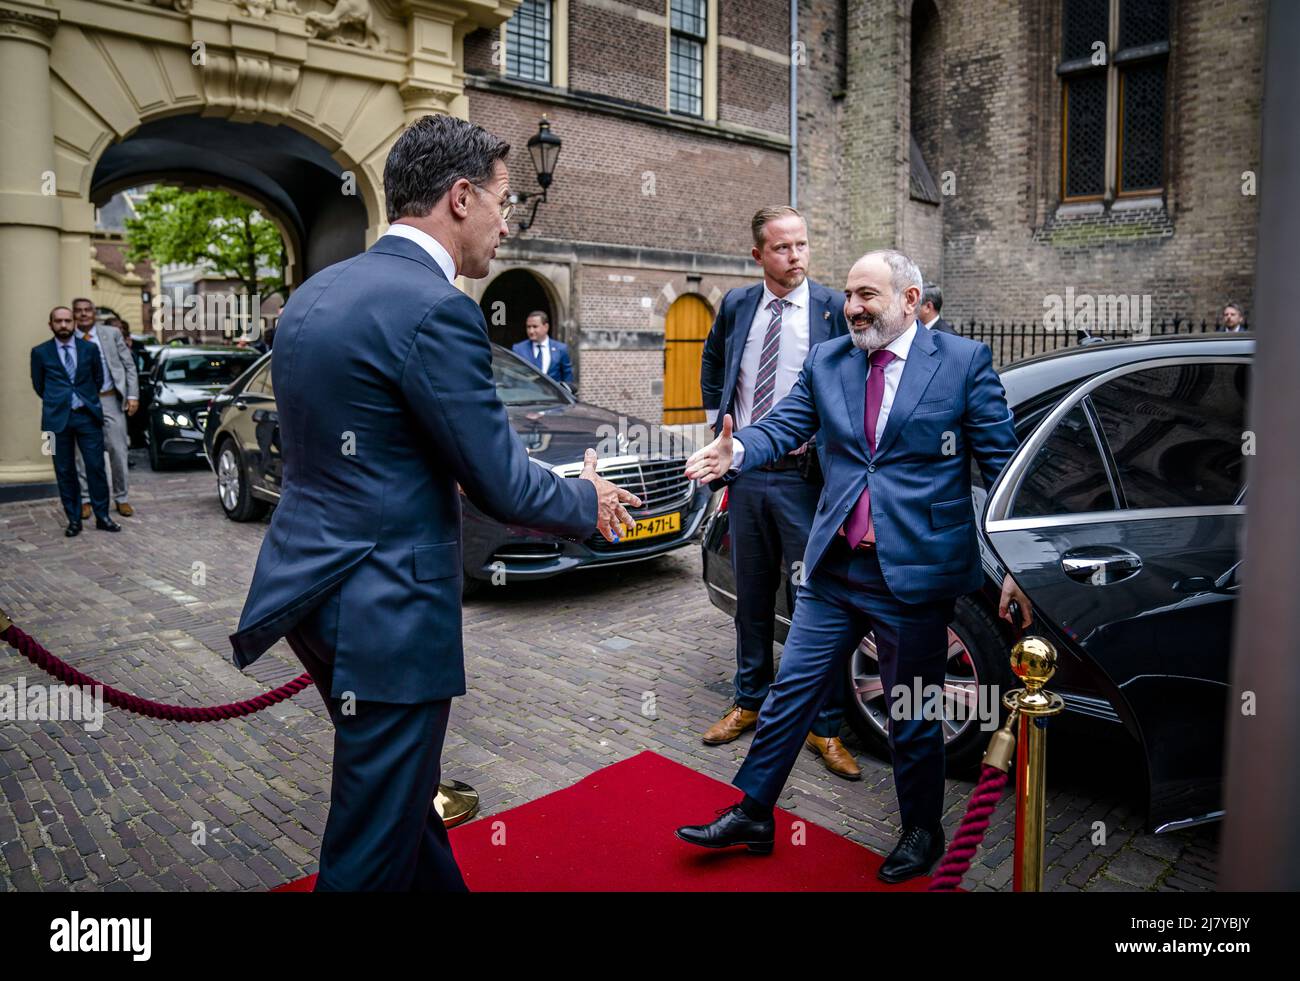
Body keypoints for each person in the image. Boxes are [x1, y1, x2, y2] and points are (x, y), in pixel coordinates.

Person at [230, 114, 640, 892]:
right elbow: (502, 483)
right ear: (459, 198)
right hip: (386, 607)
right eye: (503, 200)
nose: (508, 224)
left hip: (309, 588)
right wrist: (586, 498)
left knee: (404, 802)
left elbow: (362, 440)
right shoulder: (438, 308)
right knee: (367, 851)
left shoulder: (317, 295)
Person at [677, 249, 1032, 883]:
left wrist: (1015, 564)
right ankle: (755, 813)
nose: (851, 307)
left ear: (910, 298)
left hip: (913, 574)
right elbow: (782, 426)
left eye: (867, 294)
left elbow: (1005, 467)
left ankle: (923, 829)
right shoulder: (829, 360)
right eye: (848, 294)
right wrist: (737, 451)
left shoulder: (962, 363)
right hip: (835, 566)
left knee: (911, 709)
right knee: (791, 690)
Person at [698, 205, 859, 779]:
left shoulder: (831, 311)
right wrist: (719, 419)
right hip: (744, 475)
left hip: (805, 478)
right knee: (751, 593)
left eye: (803, 246)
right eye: (783, 248)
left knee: (817, 604)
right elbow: (714, 359)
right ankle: (749, 701)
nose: (796, 257)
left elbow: (854, 381)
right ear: (758, 254)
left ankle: (826, 725)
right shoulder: (739, 304)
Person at [29, 306, 121, 537]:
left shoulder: (89, 349)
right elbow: (39, 386)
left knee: (96, 467)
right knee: (63, 470)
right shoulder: (39, 352)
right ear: (50, 324)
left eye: (67, 321)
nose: (63, 325)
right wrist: (58, 402)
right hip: (53, 422)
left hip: (87, 417)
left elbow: (97, 380)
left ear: (73, 323)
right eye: (58, 321)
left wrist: (85, 401)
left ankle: (103, 516)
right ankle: (73, 520)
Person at [70, 297, 138, 518]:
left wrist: (132, 395)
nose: (83, 314)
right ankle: (86, 499)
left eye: (88, 310)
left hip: (110, 399)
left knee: (118, 451)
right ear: (74, 314)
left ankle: (122, 498)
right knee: (82, 454)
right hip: (81, 402)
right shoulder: (68, 338)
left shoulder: (111, 334)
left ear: (94, 313)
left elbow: (129, 365)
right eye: (79, 311)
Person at [512, 310, 573, 383]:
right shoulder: (518, 349)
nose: (531, 331)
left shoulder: (561, 349)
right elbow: (512, 376)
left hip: (552, 394)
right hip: (527, 393)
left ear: (546, 327)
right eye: (528, 327)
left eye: (535, 327)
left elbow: (567, 377)